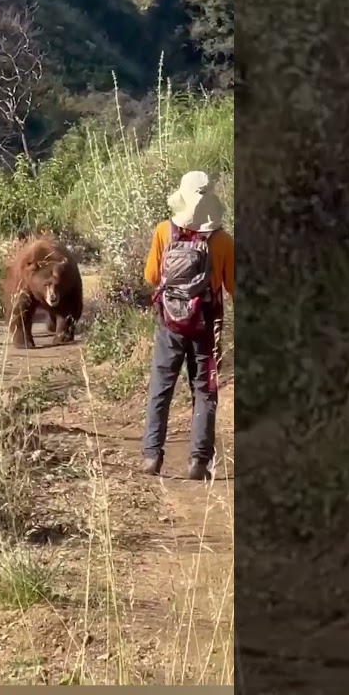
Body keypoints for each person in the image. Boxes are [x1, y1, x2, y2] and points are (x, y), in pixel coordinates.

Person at [139, 170, 234, 481]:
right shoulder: (222, 240)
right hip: (206, 326)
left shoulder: (164, 231)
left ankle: (152, 456)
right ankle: (198, 462)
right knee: (205, 391)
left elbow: (152, 277)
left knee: (160, 388)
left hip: (169, 323)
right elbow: (232, 286)